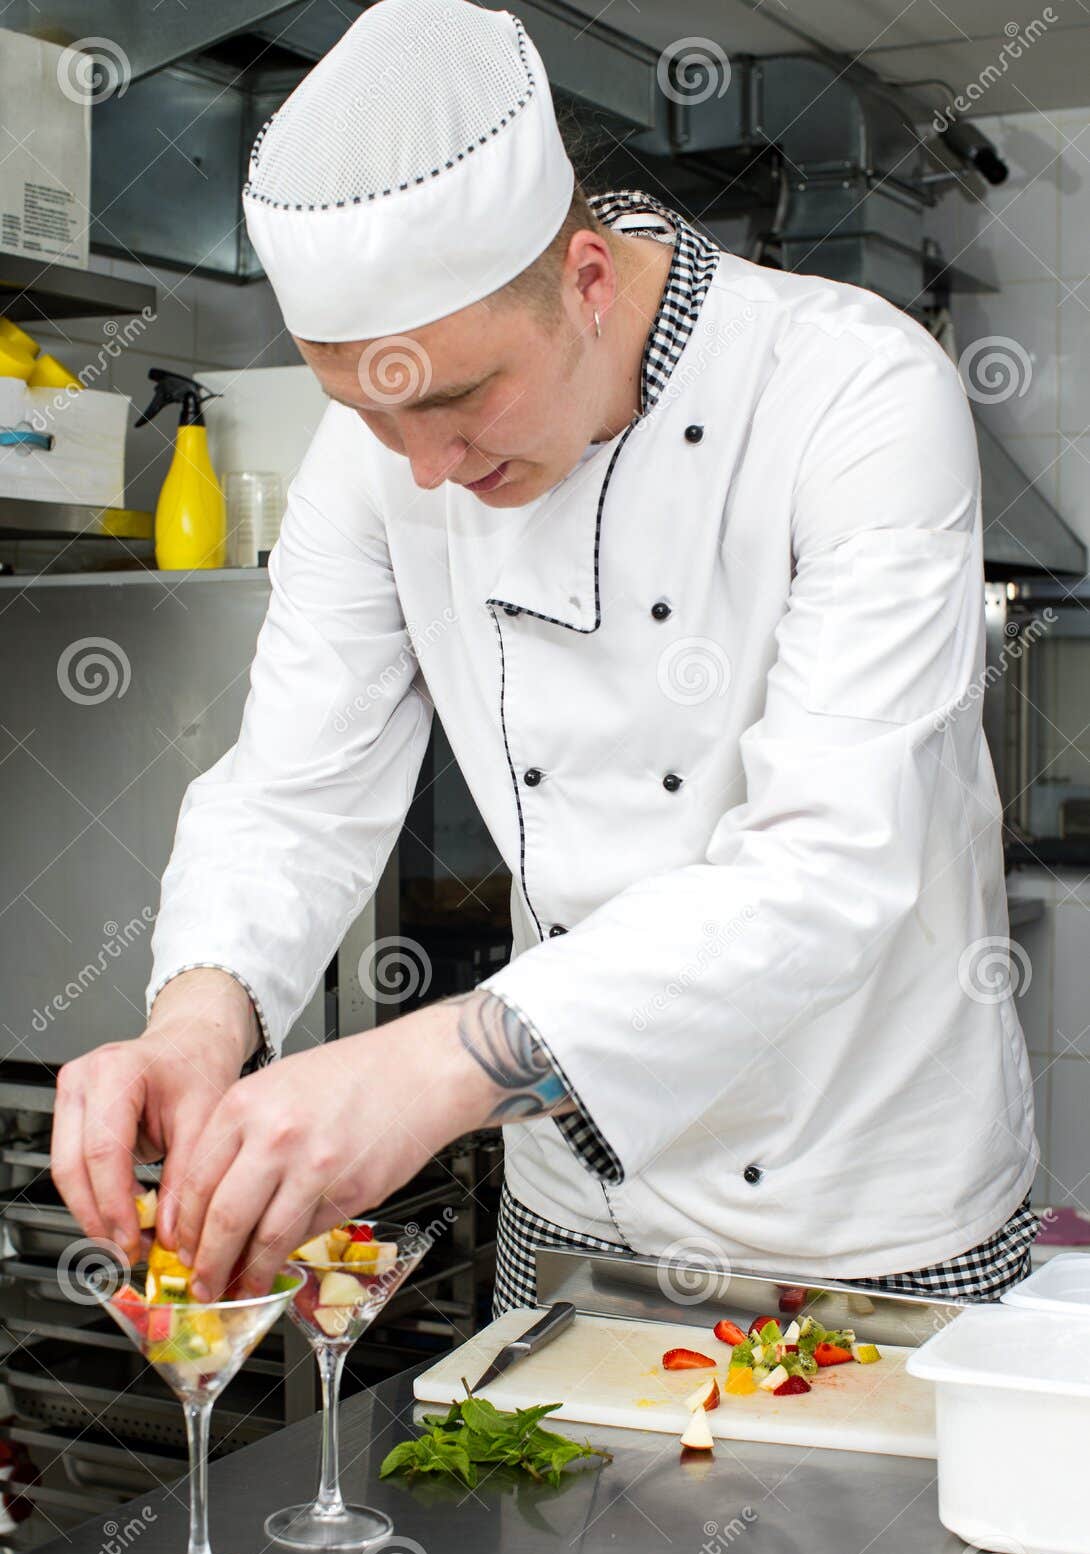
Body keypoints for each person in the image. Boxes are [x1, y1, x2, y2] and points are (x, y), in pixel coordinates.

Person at [52, 0, 1037, 1313]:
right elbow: (293, 791)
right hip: (580, 1210)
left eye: (460, 400)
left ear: (584, 278)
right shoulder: (384, 456)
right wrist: (198, 1017)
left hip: (873, 1210)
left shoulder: (850, 392)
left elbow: (824, 862)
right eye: (367, 408)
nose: (427, 470)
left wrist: (423, 1073)